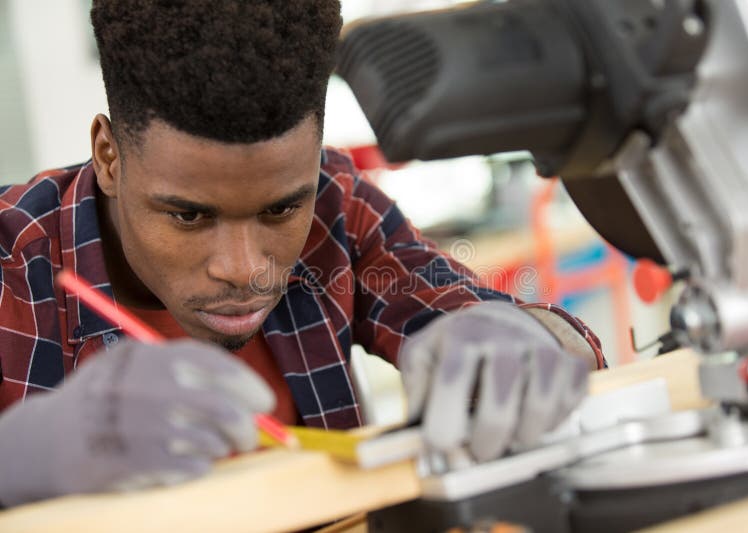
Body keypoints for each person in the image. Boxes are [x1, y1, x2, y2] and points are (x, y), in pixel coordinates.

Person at [0, 0, 603, 508]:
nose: (243, 268)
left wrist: (533, 341)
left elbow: (522, 330)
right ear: (108, 155)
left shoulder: (335, 206)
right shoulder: (11, 263)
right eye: (188, 215)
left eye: (279, 210)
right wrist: (21, 457)